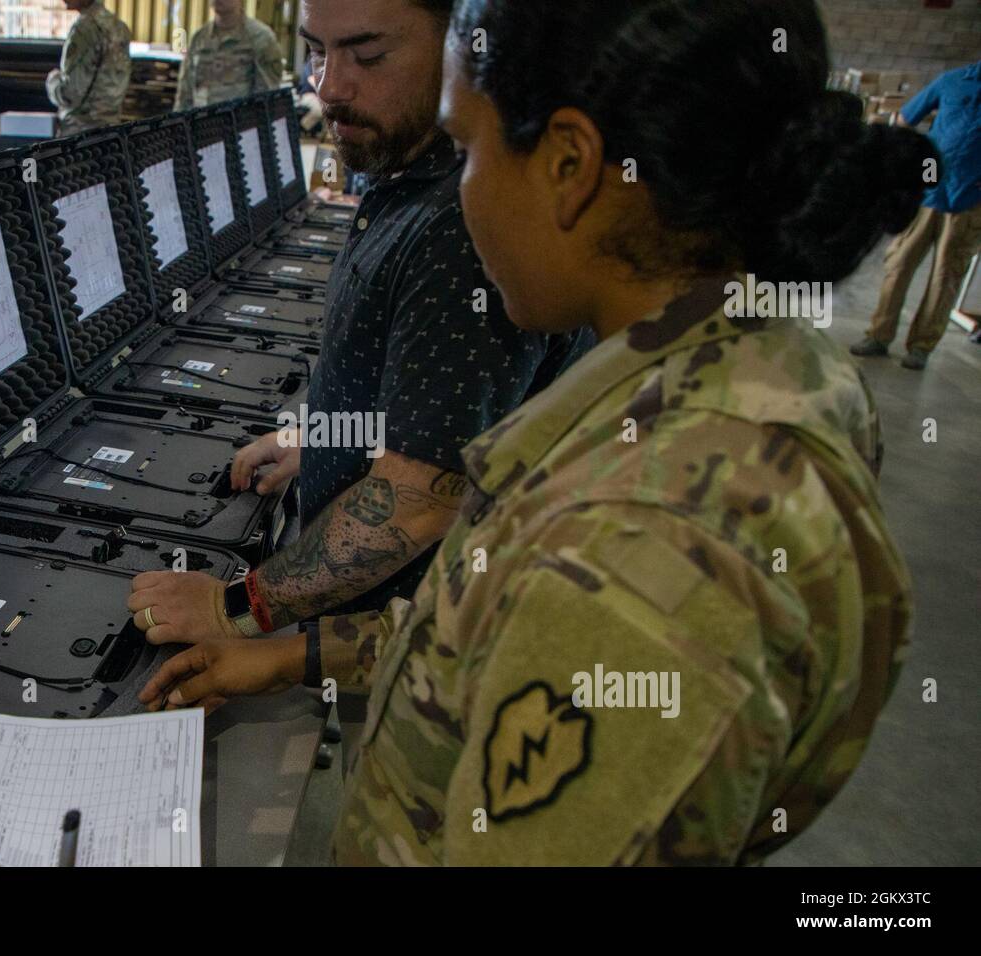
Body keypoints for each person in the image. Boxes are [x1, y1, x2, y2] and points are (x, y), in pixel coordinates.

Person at [137, 0, 933, 866]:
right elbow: (483, 631)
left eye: (471, 150)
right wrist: (298, 654)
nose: (462, 191)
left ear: (569, 166)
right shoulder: (739, 368)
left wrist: (249, 613)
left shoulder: (632, 555)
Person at [129, 0, 586, 652]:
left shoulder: (462, 222)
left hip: (401, 650)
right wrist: (325, 444)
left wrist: (234, 608)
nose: (329, 86)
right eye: (317, 50)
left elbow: (421, 499)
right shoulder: (403, 163)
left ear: (462, 45)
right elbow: (414, 396)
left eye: (368, 56)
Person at [853, 60, 981, 370]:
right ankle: (879, 335)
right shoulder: (952, 81)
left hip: (971, 201)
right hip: (929, 193)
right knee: (899, 263)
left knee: (946, 275)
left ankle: (921, 346)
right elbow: (905, 119)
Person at [174, 0, 285, 110]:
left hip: (240, 123)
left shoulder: (261, 38)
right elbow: (185, 92)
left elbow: (266, 96)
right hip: (201, 123)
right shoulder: (200, 38)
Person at [46, 0, 132, 135]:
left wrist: (53, 82)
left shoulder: (84, 29)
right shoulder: (119, 27)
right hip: (110, 131)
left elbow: (71, 94)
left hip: (80, 134)